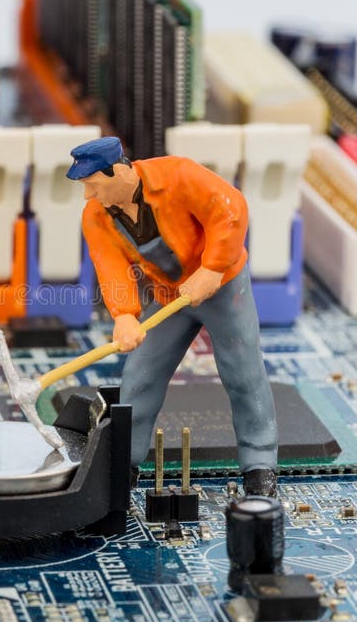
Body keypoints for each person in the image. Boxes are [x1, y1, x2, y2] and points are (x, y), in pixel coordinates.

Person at [66, 135, 278, 496]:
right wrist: (124, 315)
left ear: (118, 171)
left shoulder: (178, 175)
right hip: (169, 296)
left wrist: (211, 270)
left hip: (224, 287)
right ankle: (125, 465)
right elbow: (110, 266)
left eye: (92, 185)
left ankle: (260, 467)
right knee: (140, 376)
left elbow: (230, 210)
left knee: (243, 374)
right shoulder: (96, 216)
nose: (88, 195)